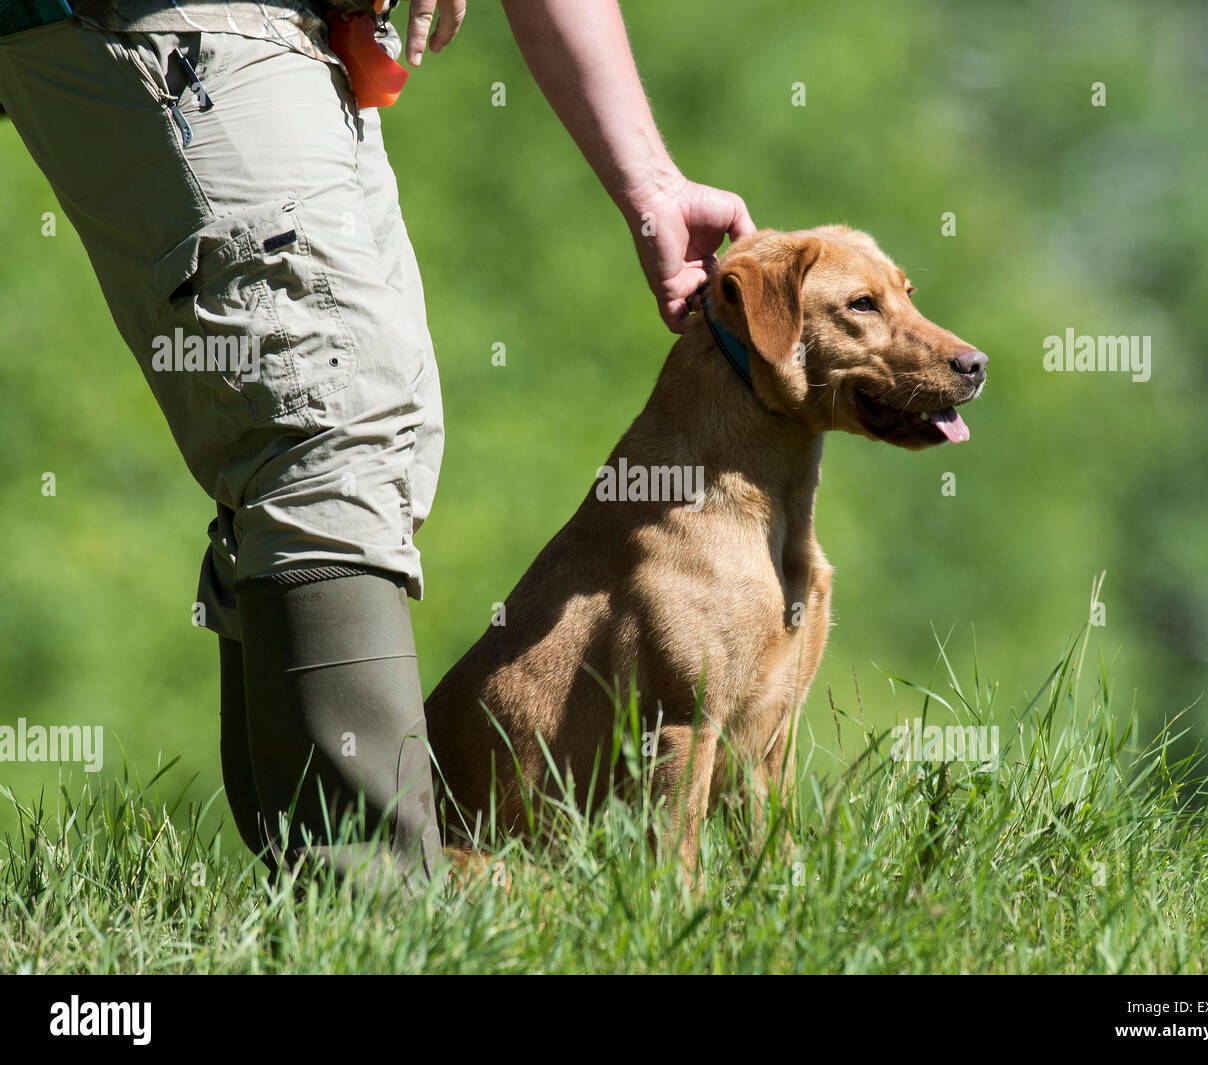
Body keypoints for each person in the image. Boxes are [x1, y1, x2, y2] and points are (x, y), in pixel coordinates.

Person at [0, 0, 755, 888]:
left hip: (306, 33)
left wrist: (653, 184)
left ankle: (325, 904)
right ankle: (381, 910)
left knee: (380, 430)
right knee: (327, 425)